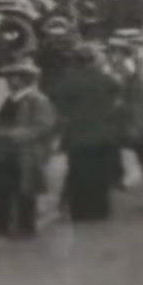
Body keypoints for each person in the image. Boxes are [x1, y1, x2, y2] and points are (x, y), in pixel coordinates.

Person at [49, 45, 125, 221]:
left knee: (78, 172)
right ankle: (100, 210)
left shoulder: (67, 81)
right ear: (93, 60)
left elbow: (59, 106)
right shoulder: (106, 79)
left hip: (77, 135)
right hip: (103, 133)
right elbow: (118, 96)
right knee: (100, 172)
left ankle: (81, 211)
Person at [0, 62, 57, 237]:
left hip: (25, 151)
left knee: (25, 190)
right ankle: (1, 224)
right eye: (9, 77)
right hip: (3, 150)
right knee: (2, 188)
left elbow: (44, 126)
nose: (9, 81)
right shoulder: (11, 99)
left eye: (13, 77)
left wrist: (15, 134)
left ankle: (26, 226)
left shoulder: (38, 100)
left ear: (25, 80)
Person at [108, 31, 143, 192]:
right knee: (115, 146)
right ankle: (117, 179)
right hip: (121, 114)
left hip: (141, 112)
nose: (135, 48)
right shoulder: (113, 67)